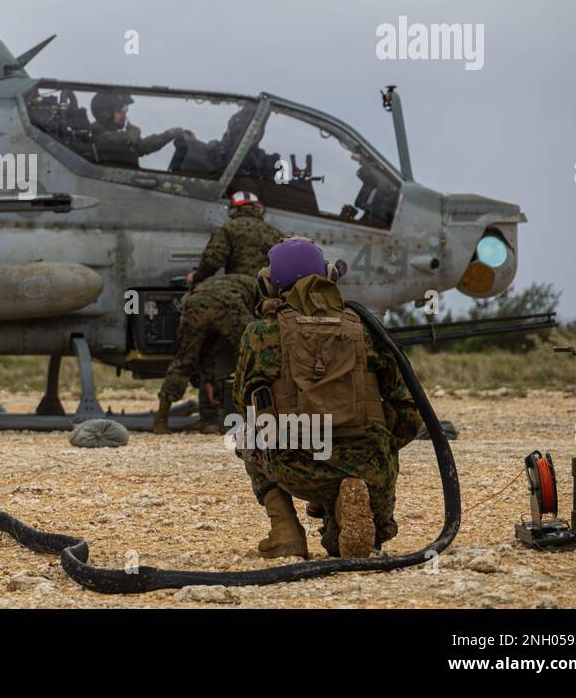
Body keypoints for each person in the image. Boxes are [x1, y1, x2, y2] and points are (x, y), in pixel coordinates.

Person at [231, 237, 422, 559]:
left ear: (269, 285)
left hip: (297, 465)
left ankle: (286, 532)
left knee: (245, 432)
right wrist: (382, 448)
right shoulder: (366, 329)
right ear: (330, 276)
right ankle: (362, 509)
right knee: (342, 542)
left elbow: (243, 403)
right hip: (372, 468)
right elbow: (410, 413)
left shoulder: (261, 333)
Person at [153, 273, 259, 434]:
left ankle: (161, 419)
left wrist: (209, 381)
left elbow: (206, 350)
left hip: (195, 304)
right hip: (228, 303)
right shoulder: (257, 287)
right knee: (253, 351)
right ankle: (253, 415)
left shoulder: (217, 282)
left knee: (184, 361)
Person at [189, 191, 283, 285]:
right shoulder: (275, 232)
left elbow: (212, 261)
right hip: (267, 292)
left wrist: (195, 277)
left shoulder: (228, 229)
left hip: (239, 289)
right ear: (259, 209)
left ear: (234, 210)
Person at [87, 91, 188, 168]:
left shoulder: (115, 135)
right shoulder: (96, 134)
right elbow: (128, 139)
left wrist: (170, 134)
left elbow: (142, 146)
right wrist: (133, 132)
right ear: (105, 113)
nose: (124, 114)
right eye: (119, 110)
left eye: (125, 110)